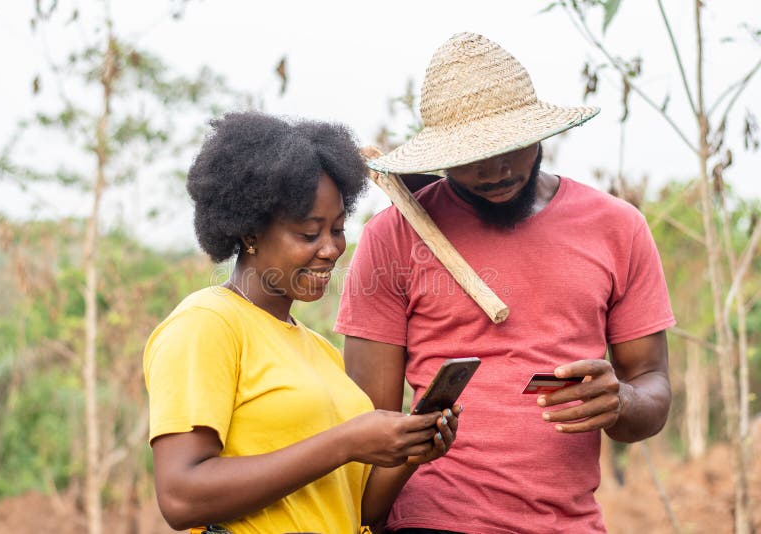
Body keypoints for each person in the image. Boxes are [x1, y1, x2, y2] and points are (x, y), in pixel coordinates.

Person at [335, 33, 675, 533]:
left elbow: (654, 386)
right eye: (470, 156)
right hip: (432, 520)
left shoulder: (617, 228)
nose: (495, 170)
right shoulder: (393, 237)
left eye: (510, 148)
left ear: (538, 133)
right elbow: (368, 430)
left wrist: (620, 400)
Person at [143, 111, 462, 533]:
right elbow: (181, 497)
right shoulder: (207, 323)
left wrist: (411, 453)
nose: (331, 249)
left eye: (337, 229)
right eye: (309, 233)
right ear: (249, 233)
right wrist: (347, 442)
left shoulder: (322, 354)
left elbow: (356, 510)